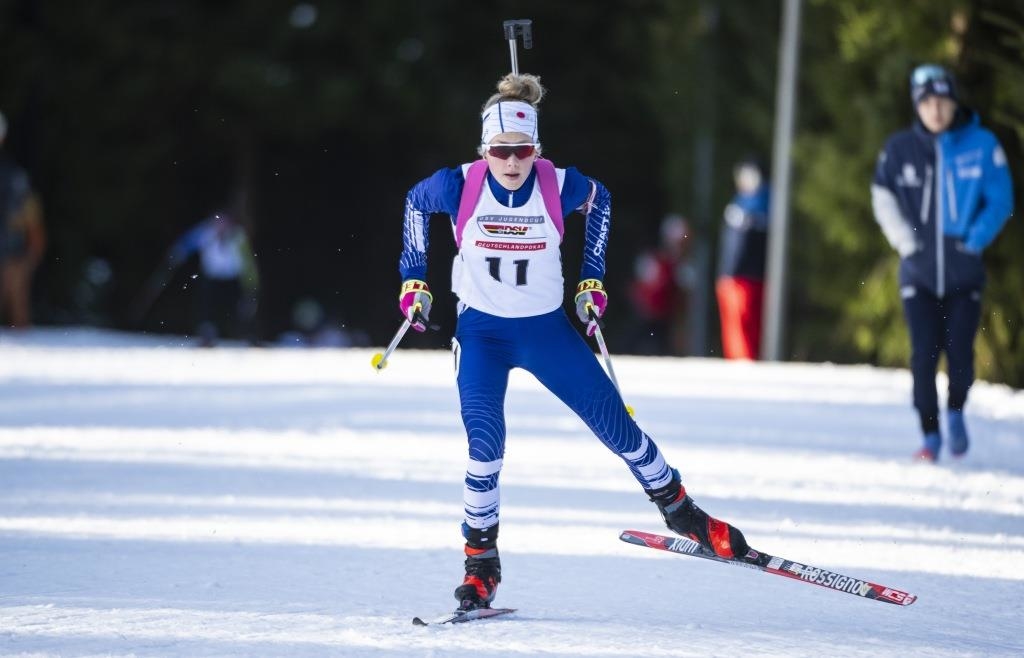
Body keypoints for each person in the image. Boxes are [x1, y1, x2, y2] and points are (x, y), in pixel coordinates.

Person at [396, 72, 753, 612]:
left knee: (617, 426)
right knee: (484, 446)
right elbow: (414, 205)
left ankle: (683, 513)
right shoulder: (459, 183)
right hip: (483, 334)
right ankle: (480, 567)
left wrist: (591, 278)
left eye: (522, 151)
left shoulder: (558, 184)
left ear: (536, 151)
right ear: (483, 150)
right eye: (500, 151)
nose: (511, 162)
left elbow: (601, 202)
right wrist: (414, 279)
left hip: (545, 331)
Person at [871, 64, 1013, 462]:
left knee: (959, 350)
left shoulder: (982, 145)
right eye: (928, 103)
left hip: (964, 273)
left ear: (954, 105)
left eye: (943, 102)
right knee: (922, 354)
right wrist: (904, 241)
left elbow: (1001, 198)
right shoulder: (899, 149)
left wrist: (974, 241)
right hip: (917, 272)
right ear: (917, 106)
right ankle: (930, 435)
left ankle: (955, 412)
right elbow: (882, 197)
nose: (936, 110)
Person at [166, 211, 259, 346]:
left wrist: (252, 284)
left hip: (232, 280)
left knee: (240, 308)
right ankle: (207, 335)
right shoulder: (206, 232)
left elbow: (248, 263)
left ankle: (248, 336)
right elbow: (187, 242)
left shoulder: (238, 236)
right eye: (219, 223)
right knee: (206, 306)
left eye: (225, 223)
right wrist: (177, 253)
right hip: (211, 279)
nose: (221, 227)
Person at [715, 157, 770, 360]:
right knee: (735, 325)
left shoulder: (766, 201)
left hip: (750, 275)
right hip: (732, 275)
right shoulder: (739, 202)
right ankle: (740, 361)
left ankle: (745, 362)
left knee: (747, 324)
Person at [0, 110, 46, 329]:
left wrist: (33, 252)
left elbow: (31, 218)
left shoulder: (14, 177)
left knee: (18, 314)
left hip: (12, 254)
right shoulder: (15, 176)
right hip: (12, 252)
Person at [628, 214, 694, 355]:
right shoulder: (653, 259)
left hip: (667, 321)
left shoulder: (683, 266)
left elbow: (685, 299)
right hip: (647, 318)